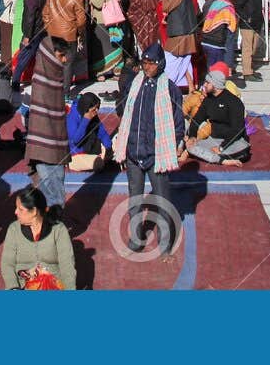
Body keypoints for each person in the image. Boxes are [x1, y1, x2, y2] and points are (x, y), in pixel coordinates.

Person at [113, 43, 185, 256]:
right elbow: (123, 110)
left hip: (157, 154)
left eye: (151, 63)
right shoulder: (135, 84)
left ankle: (165, 240)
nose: (147, 67)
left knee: (162, 199)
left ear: (160, 64)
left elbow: (178, 121)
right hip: (134, 152)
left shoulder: (170, 88)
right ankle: (136, 237)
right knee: (134, 199)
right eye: (144, 62)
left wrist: (174, 144)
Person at [25, 34, 71, 212]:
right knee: (52, 196)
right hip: (44, 149)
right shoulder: (42, 80)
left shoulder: (55, 77)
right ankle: (53, 230)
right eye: (61, 55)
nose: (65, 60)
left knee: (53, 192)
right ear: (51, 55)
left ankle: (51, 229)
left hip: (55, 146)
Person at [0, 184, 76, 289]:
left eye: (20, 209)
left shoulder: (58, 230)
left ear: (34, 211)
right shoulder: (14, 230)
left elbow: (67, 265)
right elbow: (7, 264)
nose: (15, 212)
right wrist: (13, 287)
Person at [186, 68, 249, 166]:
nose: (204, 85)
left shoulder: (234, 102)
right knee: (191, 147)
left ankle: (218, 157)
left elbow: (238, 130)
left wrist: (222, 147)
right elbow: (196, 120)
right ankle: (223, 161)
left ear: (215, 85)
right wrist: (192, 137)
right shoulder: (208, 100)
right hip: (214, 140)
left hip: (234, 142)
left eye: (207, 83)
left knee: (240, 151)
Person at [232, 0, 265, 81]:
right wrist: (246, 18)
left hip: (257, 24)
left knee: (254, 48)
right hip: (247, 25)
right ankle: (247, 73)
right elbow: (237, 6)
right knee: (247, 48)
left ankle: (249, 68)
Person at [67, 91, 109, 169]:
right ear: (86, 109)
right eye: (94, 109)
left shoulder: (93, 114)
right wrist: (86, 120)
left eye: (97, 108)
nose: (96, 111)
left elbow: (102, 132)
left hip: (91, 149)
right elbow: (75, 140)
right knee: (98, 163)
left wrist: (108, 147)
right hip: (76, 155)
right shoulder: (72, 118)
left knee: (117, 148)